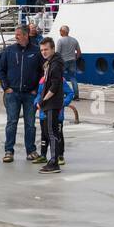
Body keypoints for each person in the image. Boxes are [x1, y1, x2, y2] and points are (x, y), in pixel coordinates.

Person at [0, 26, 42, 162]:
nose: (16, 37)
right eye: (16, 34)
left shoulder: (36, 51)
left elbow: (42, 72)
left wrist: (36, 90)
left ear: (26, 35)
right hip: (12, 93)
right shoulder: (9, 50)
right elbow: (1, 70)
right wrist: (5, 87)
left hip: (30, 94)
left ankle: (31, 151)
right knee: (11, 123)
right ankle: (9, 151)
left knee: (30, 124)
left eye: (19, 34)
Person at [36, 36, 65, 173]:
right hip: (50, 104)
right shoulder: (50, 62)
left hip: (52, 103)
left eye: (46, 49)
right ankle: (53, 159)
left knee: (52, 132)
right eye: (42, 50)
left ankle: (54, 162)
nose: (44, 52)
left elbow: (54, 86)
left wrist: (43, 100)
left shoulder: (55, 64)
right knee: (49, 132)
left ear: (53, 49)